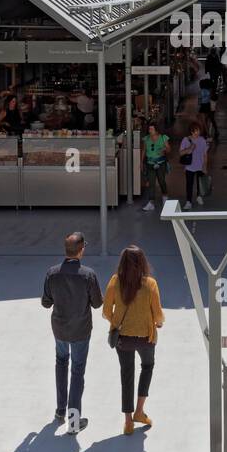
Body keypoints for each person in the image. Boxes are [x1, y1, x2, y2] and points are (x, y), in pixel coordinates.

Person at [42, 231, 103, 433]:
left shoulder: (52, 273)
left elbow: (45, 302)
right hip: (80, 330)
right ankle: (74, 422)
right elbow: (97, 304)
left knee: (61, 363)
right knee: (77, 371)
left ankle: (60, 410)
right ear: (81, 250)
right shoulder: (88, 274)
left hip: (59, 328)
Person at [102, 245, 164, 435]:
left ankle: (128, 422)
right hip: (146, 337)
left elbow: (105, 311)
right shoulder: (150, 284)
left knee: (126, 375)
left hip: (123, 338)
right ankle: (139, 411)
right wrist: (158, 323)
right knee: (147, 367)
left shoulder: (115, 281)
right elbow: (158, 314)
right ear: (143, 263)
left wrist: (117, 323)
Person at [178, 122, 210, 207]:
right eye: (196, 131)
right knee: (189, 184)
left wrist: (205, 166)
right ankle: (188, 201)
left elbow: (205, 154)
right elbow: (181, 153)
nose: (198, 132)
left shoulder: (202, 140)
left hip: (200, 165)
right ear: (191, 131)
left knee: (200, 183)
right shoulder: (185, 140)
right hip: (189, 166)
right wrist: (190, 148)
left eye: (199, 130)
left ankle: (199, 196)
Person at [142, 122, 170, 212]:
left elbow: (169, 149)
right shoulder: (146, 139)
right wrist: (141, 162)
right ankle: (151, 202)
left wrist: (164, 150)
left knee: (162, 181)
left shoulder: (163, 137)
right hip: (150, 163)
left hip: (161, 163)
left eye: (151, 129)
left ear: (156, 130)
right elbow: (144, 150)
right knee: (151, 183)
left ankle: (165, 196)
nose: (150, 131)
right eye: (149, 129)